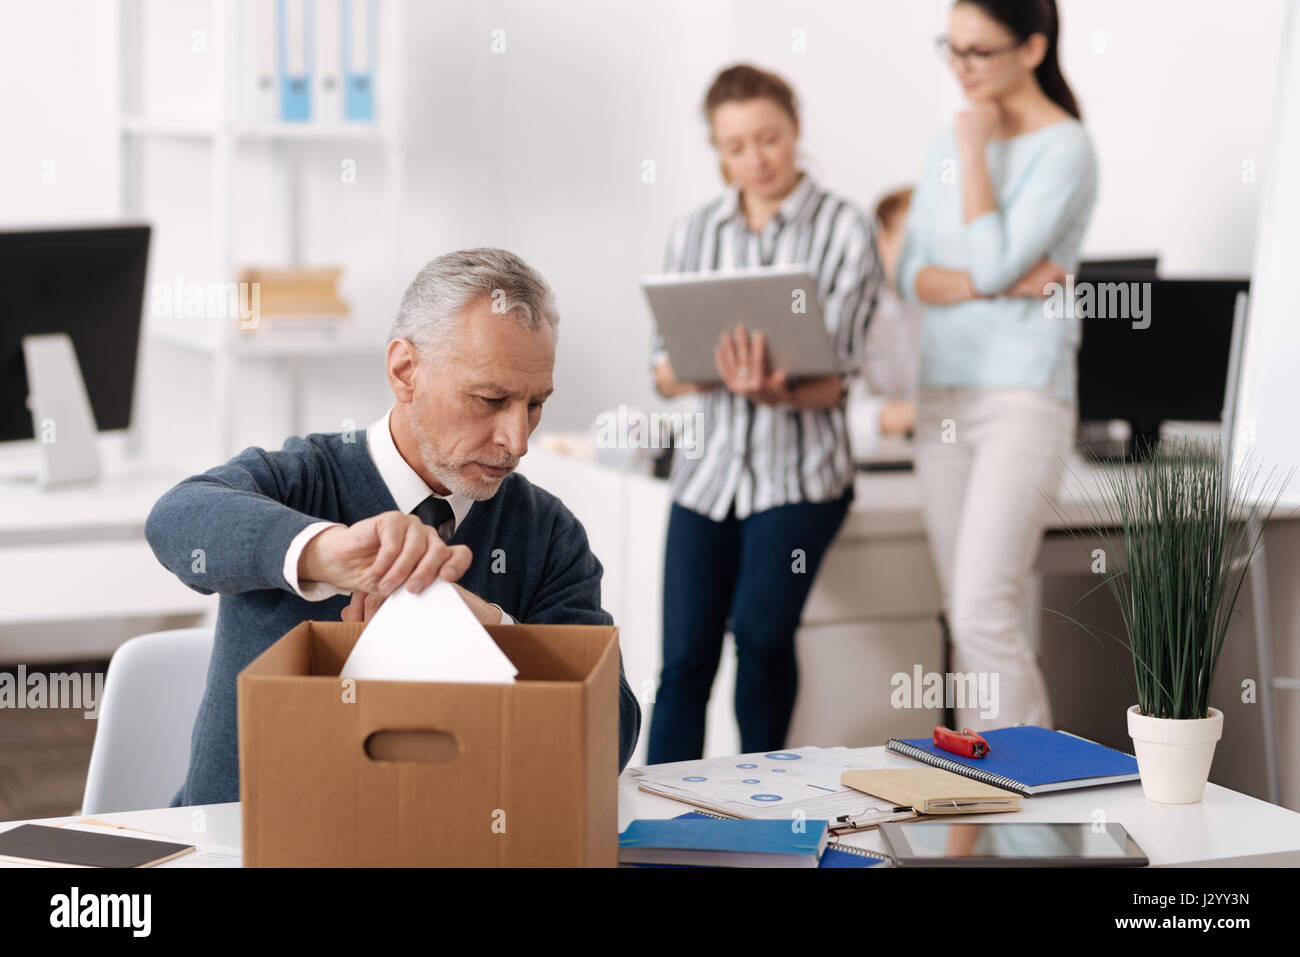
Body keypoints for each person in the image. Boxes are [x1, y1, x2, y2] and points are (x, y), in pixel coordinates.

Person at [146, 248, 641, 805]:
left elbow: (610, 737)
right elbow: (176, 518)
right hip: (239, 844)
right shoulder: (304, 479)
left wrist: (493, 630)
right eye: (492, 399)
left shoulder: (547, 532)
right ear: (405, 371)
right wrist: (326, 553)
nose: (518, 440)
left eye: (535, 405)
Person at [647, 64, 882, 763]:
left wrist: (775, 387)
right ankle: (659, 817)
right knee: (684, 655)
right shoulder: (694, 232)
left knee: (760, 633)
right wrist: (708, 371)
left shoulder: (844, 230)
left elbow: (837, 381)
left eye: (769, 138)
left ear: (796, 130)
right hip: (708, 474)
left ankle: (762, 799)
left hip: (800, 476)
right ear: (719, 150)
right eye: (737, 145)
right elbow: (661, 370)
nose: (756, 158)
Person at [895, 0, 1098, 729]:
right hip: (943, 394)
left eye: (979, 51)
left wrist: (977, 153)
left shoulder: (1064, 146)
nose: (962, 67)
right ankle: (989, 807)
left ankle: (1028, 803)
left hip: (1022, 398)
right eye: (952, 49)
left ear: (1032, 47)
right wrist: (996, 280)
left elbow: (986, 257)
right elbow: (909, 274)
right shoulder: (941, 141)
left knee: (984, 610)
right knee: (966, 609)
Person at [847, 186, 923, 452]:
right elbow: (845, 415)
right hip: (875, 467)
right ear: (882, 241)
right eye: (912, 241)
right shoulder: (852, 312)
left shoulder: (952, 314)